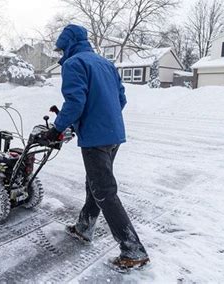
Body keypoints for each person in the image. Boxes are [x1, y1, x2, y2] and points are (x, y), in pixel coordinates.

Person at [45, 24, 150, 270]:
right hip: (114, 135)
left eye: (61, 49)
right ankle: (84, 227)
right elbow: (121, 98)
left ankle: (133, 250)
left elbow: (75, 101)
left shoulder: (74, 64)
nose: (61, 55)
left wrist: (57, 128)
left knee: (104, 191)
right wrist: (104, 120)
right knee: (96, 184)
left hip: (96, 139)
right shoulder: (105, 63)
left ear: (68, 45)